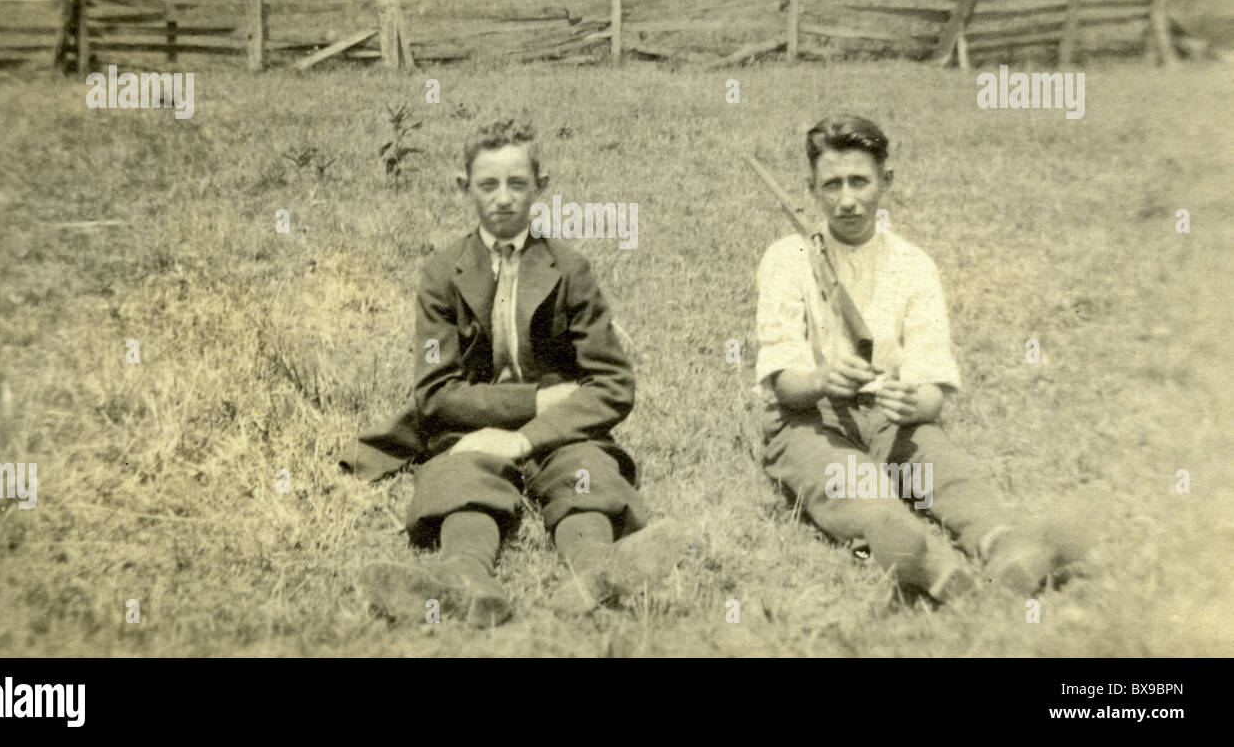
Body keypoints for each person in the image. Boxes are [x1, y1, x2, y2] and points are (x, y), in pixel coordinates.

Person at [347, 118, 685, 625]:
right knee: (460, 476)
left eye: (517, 183)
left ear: (541, 187)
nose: (503, 198)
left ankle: (596, 571)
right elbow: (436, 393)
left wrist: (530, 434)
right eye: (488, 185)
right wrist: (532, 403)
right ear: (465, 188)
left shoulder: (569, 270)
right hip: (470, 424)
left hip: (559, 430)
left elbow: (613, 384)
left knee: (584, 473)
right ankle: (464, 580)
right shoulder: (443, 273)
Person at [753, 115, 1083, 602]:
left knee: (946, 470)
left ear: (886, 182)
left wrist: (916, 403)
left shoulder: (913, 264)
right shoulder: (788, 257)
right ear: (811, 188)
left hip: (889, 415)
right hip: (809, 417)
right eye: (832, 184)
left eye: (860, 181)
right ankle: (924, 560)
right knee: (854, 487)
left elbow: (932, 387)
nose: (847, 199)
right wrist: (823, 379)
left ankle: (1006, 545)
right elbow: (784, 383)